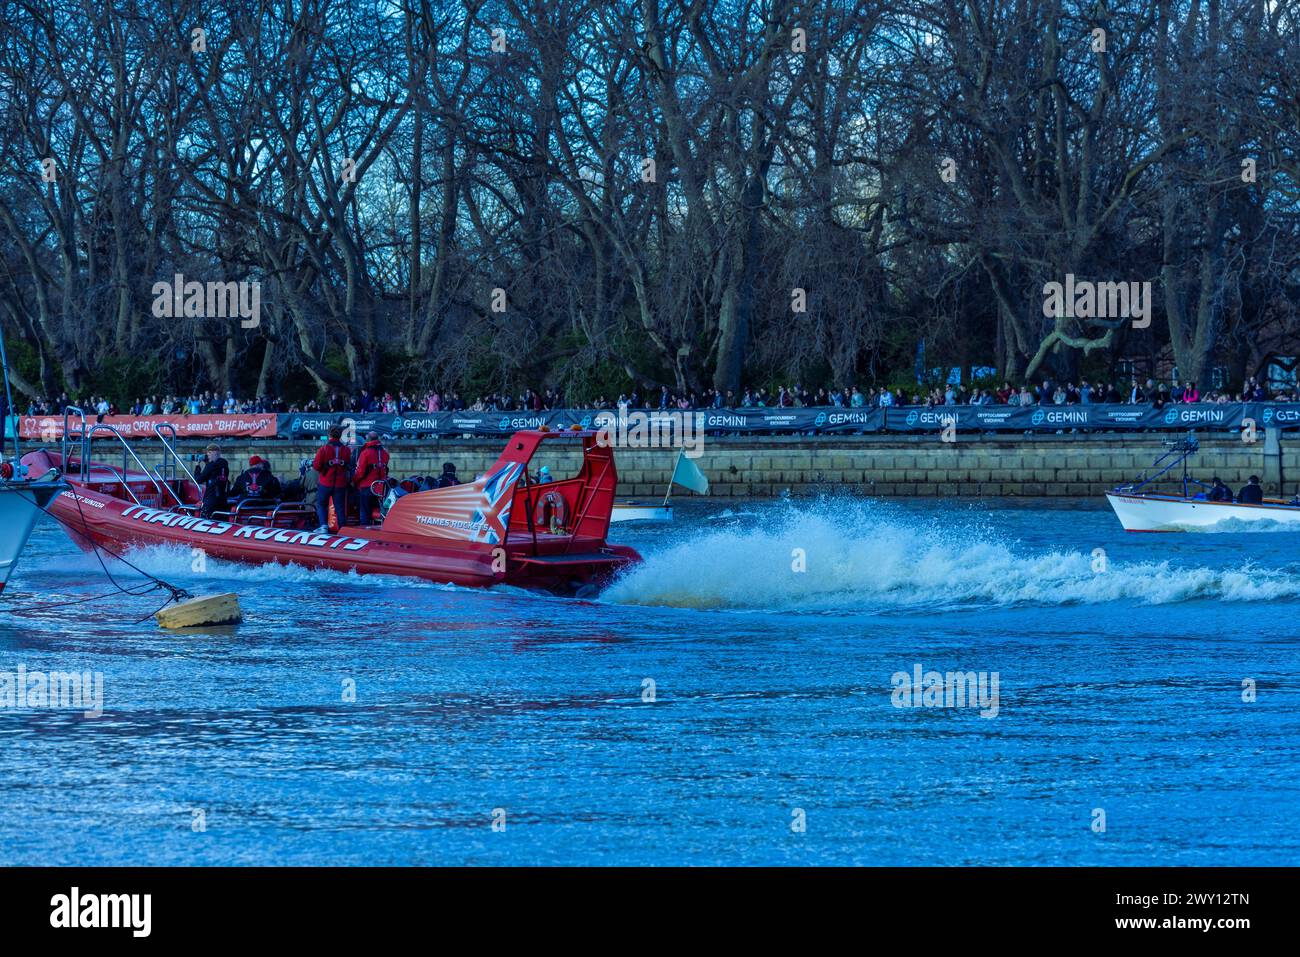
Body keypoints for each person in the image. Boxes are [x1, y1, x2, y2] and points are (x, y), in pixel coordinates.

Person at [312, 425, 353, 532]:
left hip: (325, 482)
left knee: (321, 504)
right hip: (340, 484)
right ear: (340, 435)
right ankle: (343, 529)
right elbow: (348, 465)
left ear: (329, 434)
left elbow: (316, 466)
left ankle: (324, 526)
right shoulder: (346, 450)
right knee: (340, 507)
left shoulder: (323, 449)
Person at [353, 431, 391, 527]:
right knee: (380, 511)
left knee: (364, 511)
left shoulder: (365, 453)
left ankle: (364, 532)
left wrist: (354, 482)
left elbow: (360, 472)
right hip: (381, 488)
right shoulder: (385, 453)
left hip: (366, 487)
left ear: (368, 439)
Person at [193, 443, 230, 518]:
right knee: (220, 520)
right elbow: (214, 474)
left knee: (206, 519)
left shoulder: (211, 466)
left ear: (212, 452)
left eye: (208, 453)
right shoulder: (225, 465)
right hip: (222, 499)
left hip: (211, 499)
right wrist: (208, 463)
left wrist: (197, 466)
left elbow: (198, 479)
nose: (207, 455)